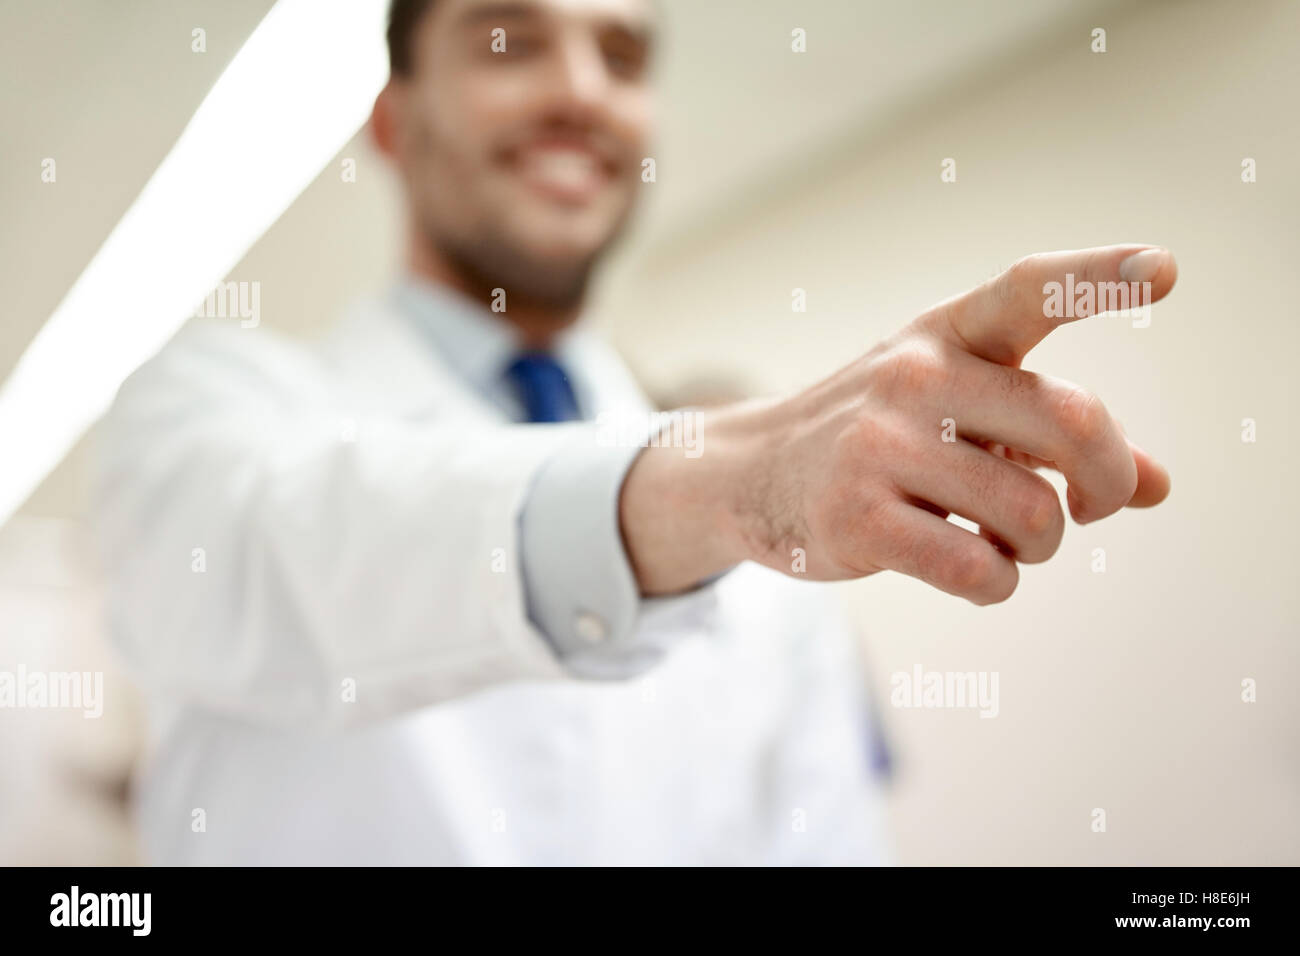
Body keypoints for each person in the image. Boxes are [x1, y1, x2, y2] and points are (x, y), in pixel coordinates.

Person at [94, 0, 1174, 865]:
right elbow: (279, 548)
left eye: (621, 54)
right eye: (509, 41)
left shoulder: (783, 543)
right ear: (395, 119)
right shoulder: (208, 406)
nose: (579, 91)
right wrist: (718, 485)